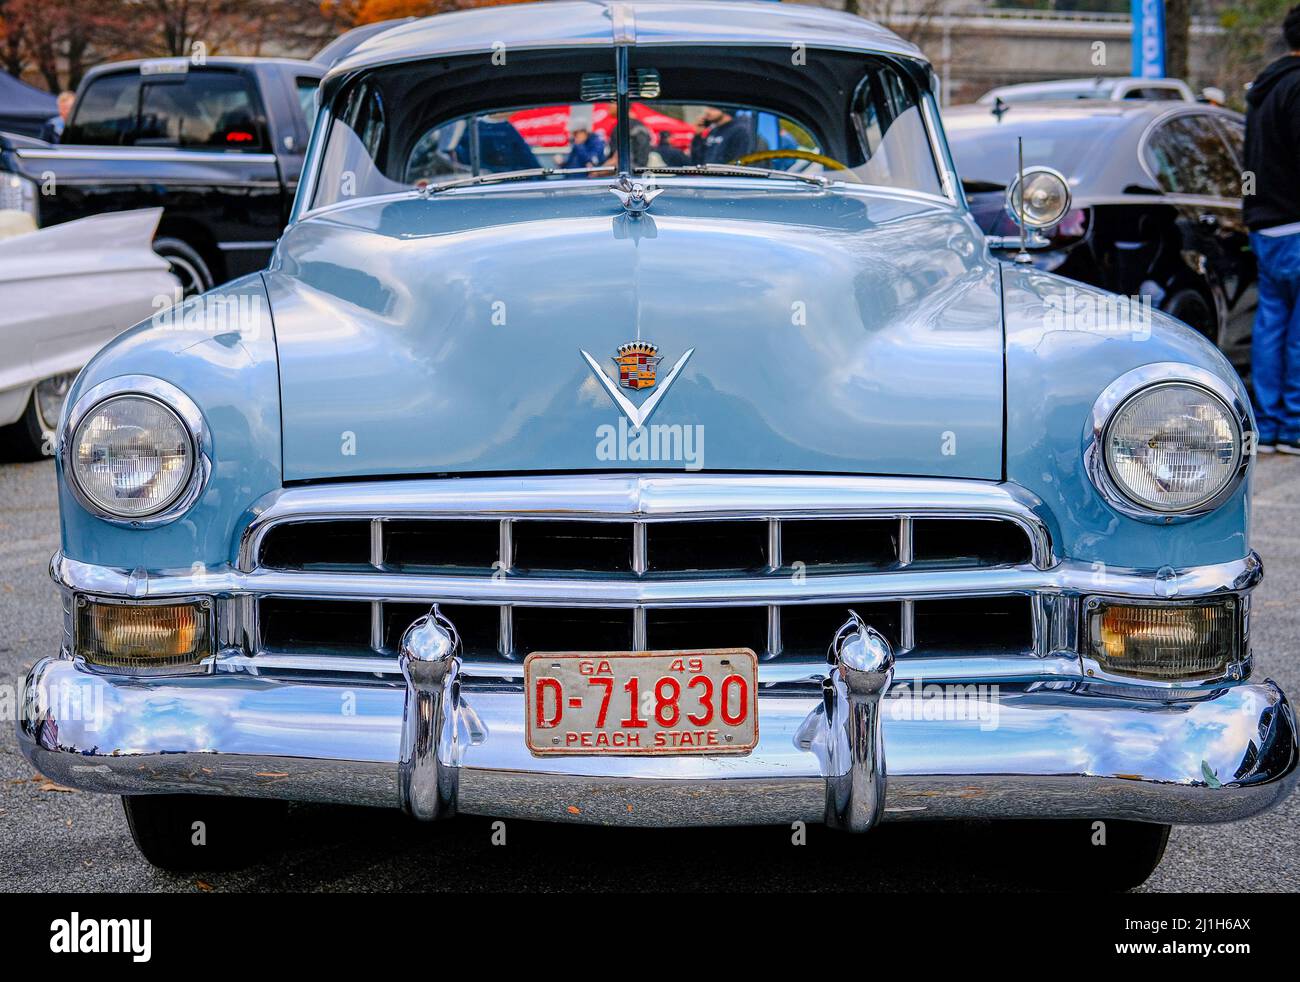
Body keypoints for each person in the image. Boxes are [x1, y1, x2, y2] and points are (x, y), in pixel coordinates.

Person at [1244, 5, 1300, 454]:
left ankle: (1267, 423)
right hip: (1295, 223)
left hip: (1265, 223)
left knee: (1272, 325)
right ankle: (1293, 427)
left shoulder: (1263, 89)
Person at [689, 106, 755, 165]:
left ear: (725, 110)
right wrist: (698, 136)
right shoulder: (713, 131)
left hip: (722, 176)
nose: (707, 112)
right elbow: (697, 160)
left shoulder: (739, 131)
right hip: (706, 175)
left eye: (713, 109)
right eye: (708, 108)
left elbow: (739, 162)